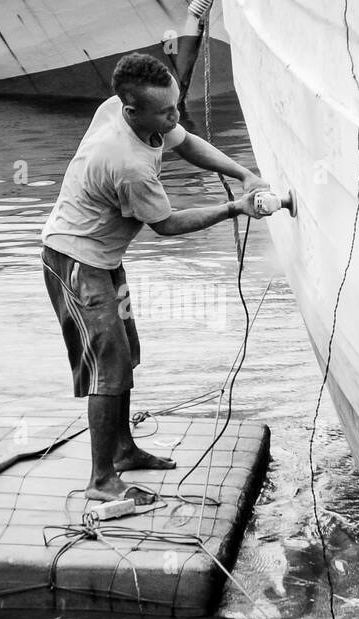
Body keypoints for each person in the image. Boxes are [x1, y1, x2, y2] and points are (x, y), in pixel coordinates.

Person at [41, 52, 272, 505]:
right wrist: (232, 208)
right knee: (107, 368)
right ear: (132, 111)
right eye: (166, 112)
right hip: (74, 261)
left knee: (125, 355)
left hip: (103, 258)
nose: (175, 116)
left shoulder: (127, 111)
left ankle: (123, 450)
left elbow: (184, 143)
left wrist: (243, 173)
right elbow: (166, 225)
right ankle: (101, 480)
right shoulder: (126, 161)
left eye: (176, 105)